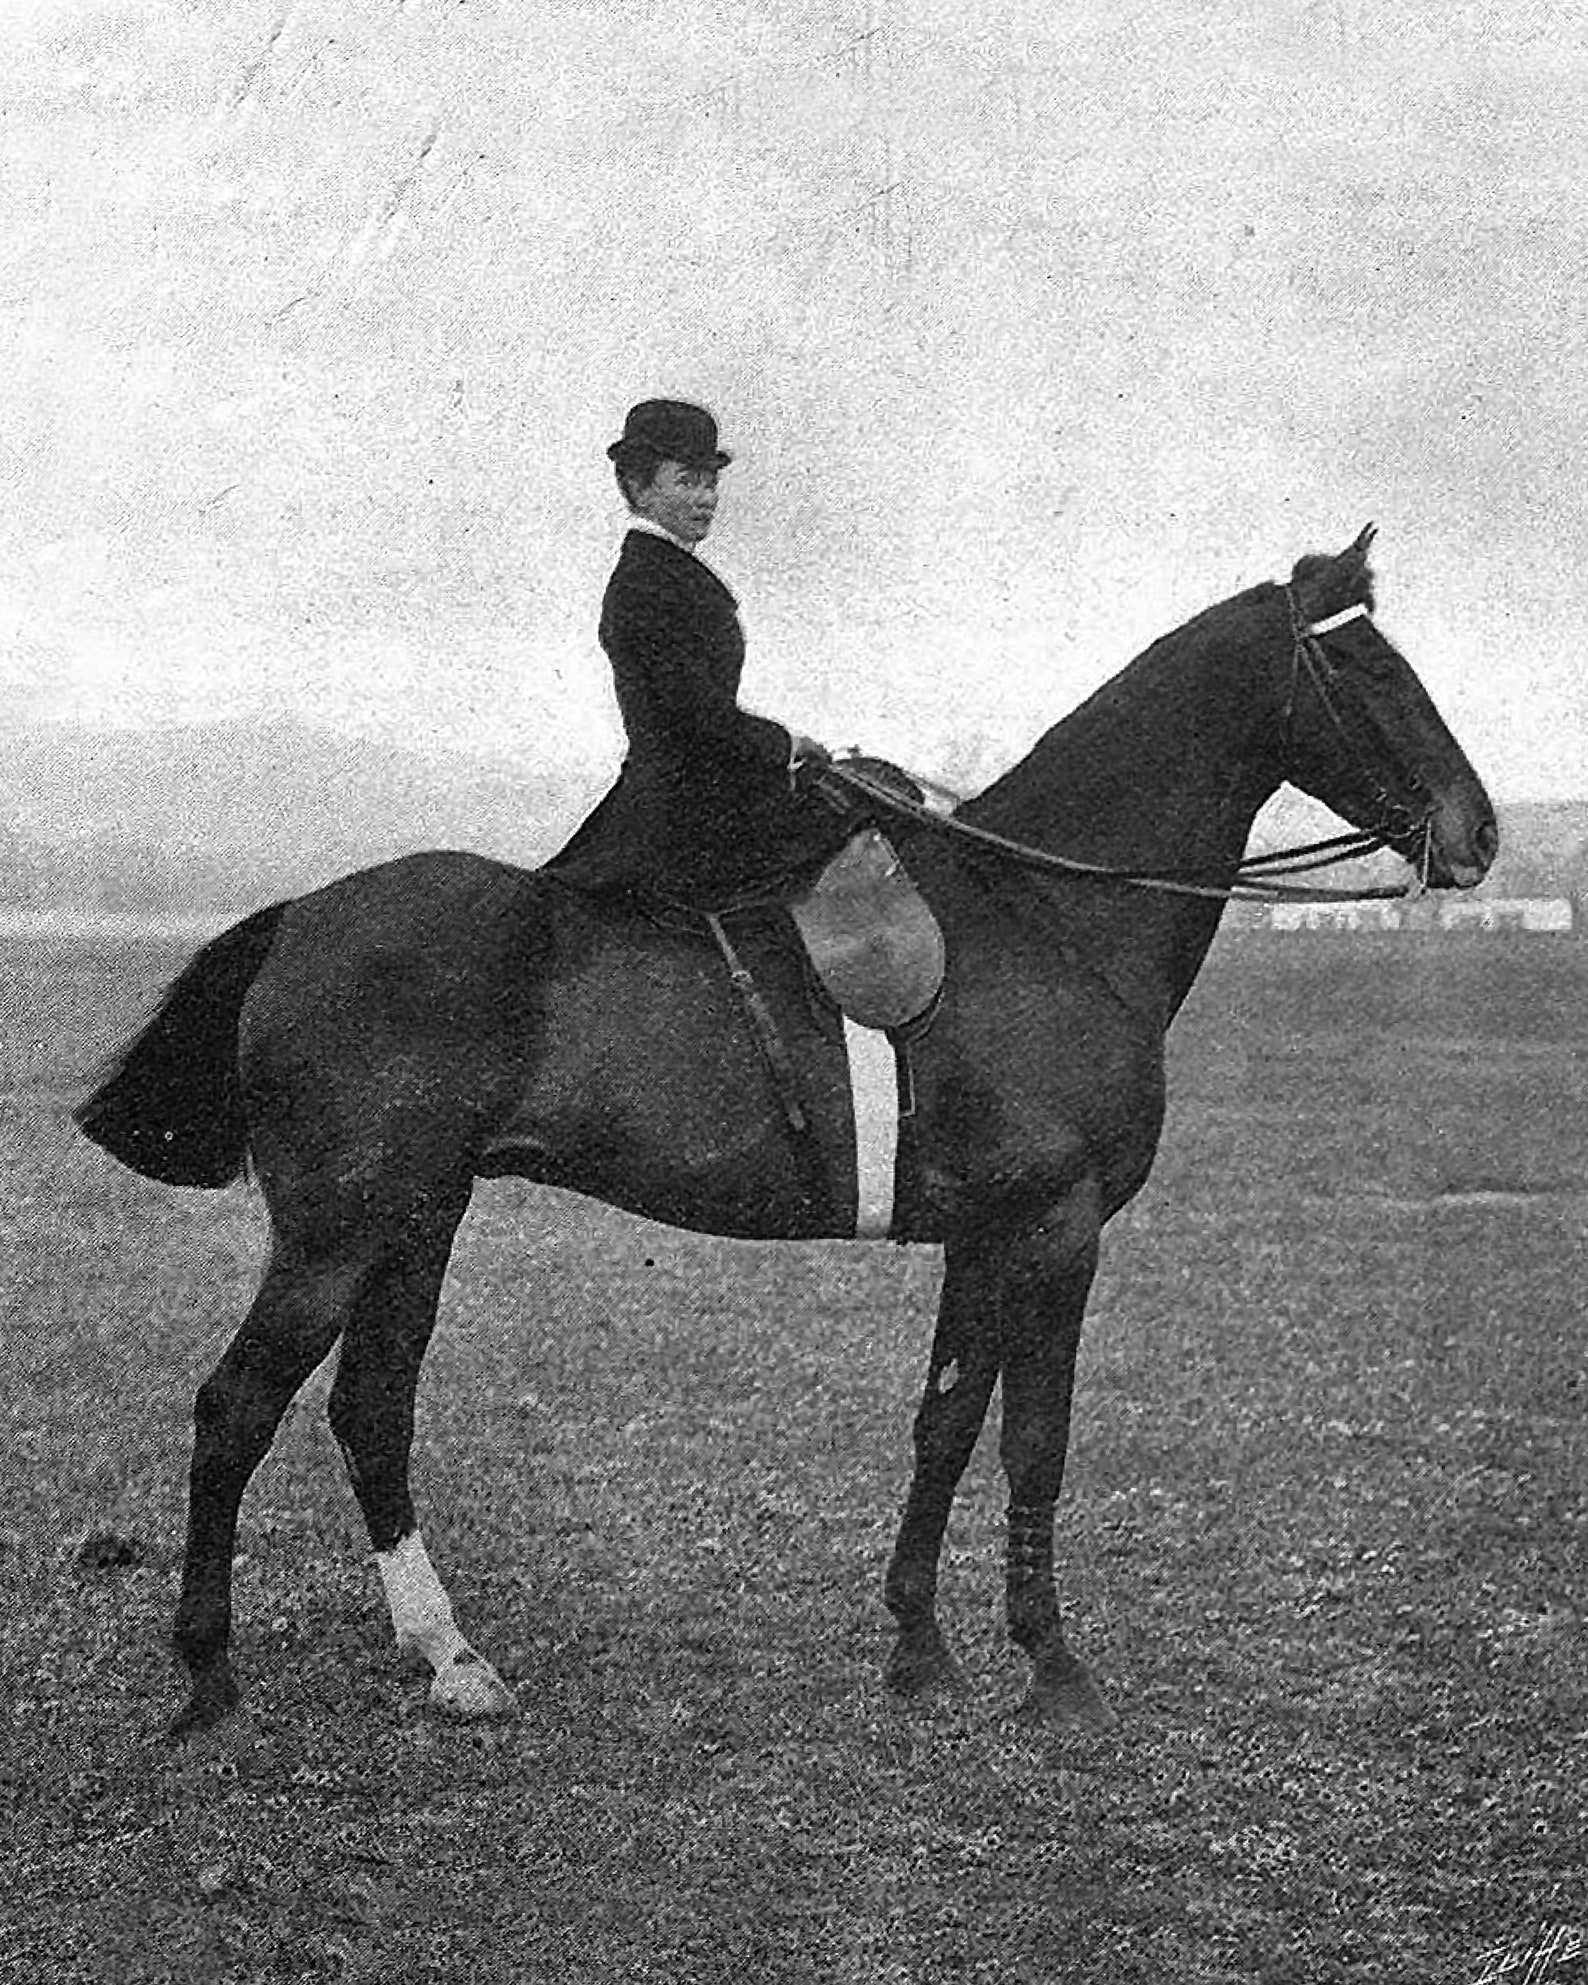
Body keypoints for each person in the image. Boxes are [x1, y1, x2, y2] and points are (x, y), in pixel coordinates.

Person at [543, 399, 852, 901]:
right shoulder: (648, 582)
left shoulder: (670, 572)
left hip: (699, 793)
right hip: (686, 808)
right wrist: (787, 744)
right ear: (637, 487)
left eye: (710, 483)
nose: (705, 498)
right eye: (686, 481)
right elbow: (696, 718)